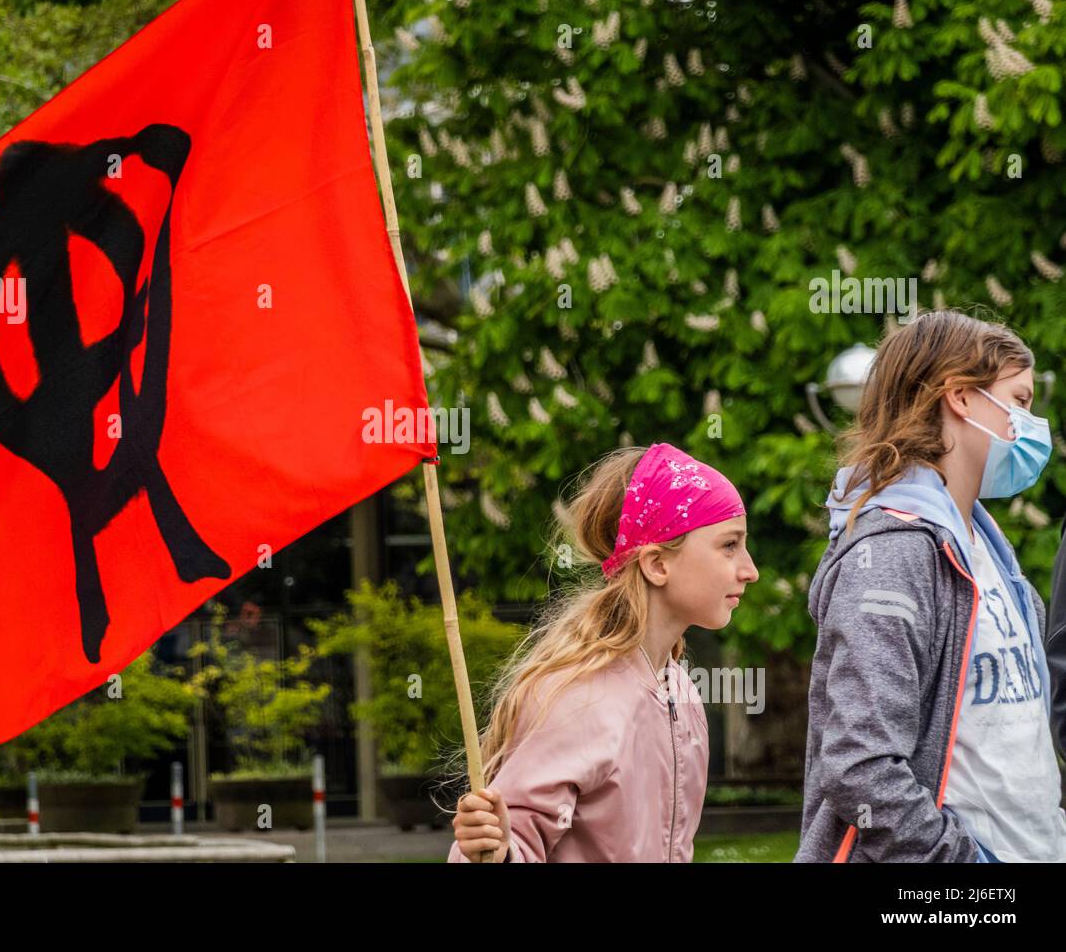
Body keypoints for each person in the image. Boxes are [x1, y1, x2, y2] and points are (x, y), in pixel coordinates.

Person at [796, 310, 1065, 862]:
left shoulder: (987, 547)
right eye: (1019, 401)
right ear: (961, 397)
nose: (1030, 426)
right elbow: (860, 766)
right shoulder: (893, 553)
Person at [446, 442, 758, 862]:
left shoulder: (681, 690)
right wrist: (495, 847)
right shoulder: (577, 697)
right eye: (729, 545)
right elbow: (508, 845)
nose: (749, 570)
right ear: (657, 564)